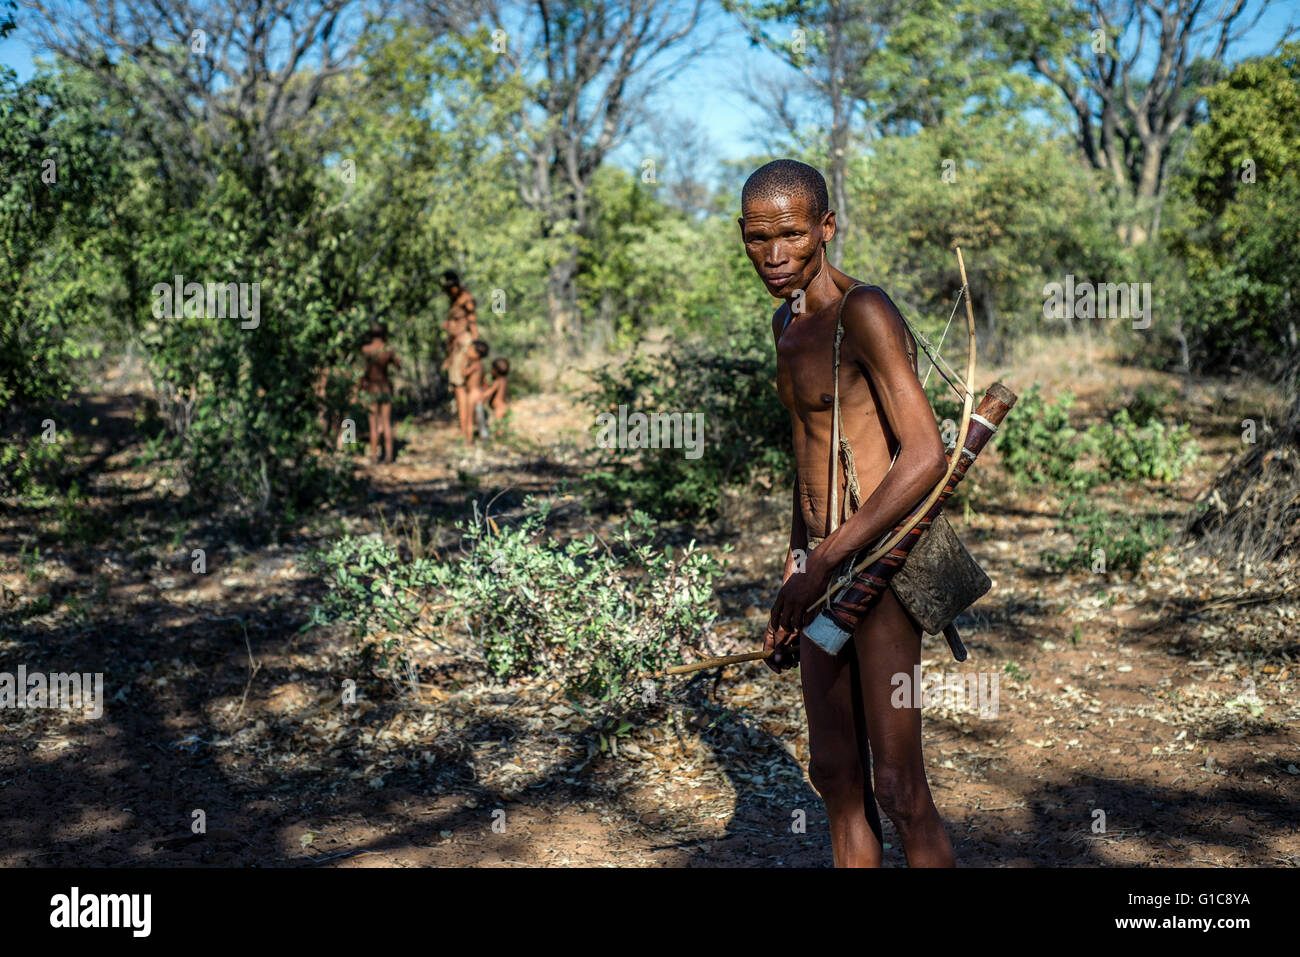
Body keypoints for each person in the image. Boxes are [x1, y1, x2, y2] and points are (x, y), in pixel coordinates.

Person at [740, 158, 954, 867]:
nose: (774, 255)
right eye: (756, 238)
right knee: (835, 775)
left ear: (826, 227)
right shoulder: (784, 323)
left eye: (793, 235)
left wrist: (829, 557)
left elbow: (925, 454)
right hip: (820, 568)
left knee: (897, 784)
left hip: (879, 564)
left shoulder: (863, 311)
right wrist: (796, 566)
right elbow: (810, 448)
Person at [441, 270, 479, 435]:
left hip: (464, 346)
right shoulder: (454, 300)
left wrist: (474, 349)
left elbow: (472, 324)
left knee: (461, 387)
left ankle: (467, 430)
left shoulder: (465, 299)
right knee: (459, 387)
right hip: (456, 348)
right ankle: (466, 429)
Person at [359, 322, 401, 464]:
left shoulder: (366, 350)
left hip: (372, 389)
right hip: (385, 388)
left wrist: (359, 388)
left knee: (373, 424)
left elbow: (362, 373)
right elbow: (398, 366)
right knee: (386, 423)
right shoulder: (388, 349)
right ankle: (389, 456)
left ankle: (374, 456)